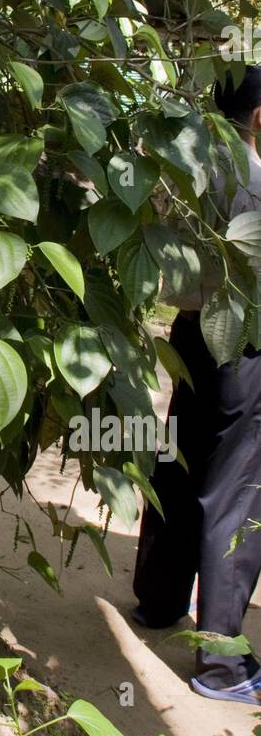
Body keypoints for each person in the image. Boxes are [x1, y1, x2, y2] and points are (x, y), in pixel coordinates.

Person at [132, 65, 261, 703]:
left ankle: (157, 602)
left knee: (180, 463)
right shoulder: (255, 181)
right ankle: (223, 667)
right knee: (235, 494)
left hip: (192, 333)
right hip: (242, 346)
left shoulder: (191, 168)